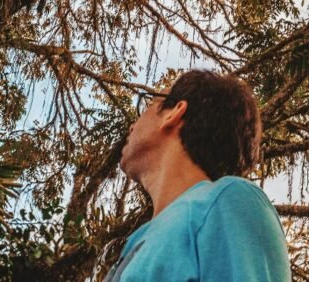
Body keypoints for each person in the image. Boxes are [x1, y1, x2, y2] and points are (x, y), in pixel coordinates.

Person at [103, 69, 291, 281]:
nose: (132, 126)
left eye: (148, 105)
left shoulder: (230, 201)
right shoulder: (137, 240)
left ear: (174, 113)